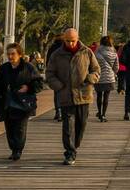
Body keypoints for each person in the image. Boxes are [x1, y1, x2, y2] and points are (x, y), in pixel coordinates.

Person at [45, 27, 100, 165]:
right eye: (68, 41)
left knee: (81, 125)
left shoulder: (86, 52)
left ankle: (75, 145)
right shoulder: (57, 54)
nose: (70, 44)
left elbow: (96, 70)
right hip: (65, 95)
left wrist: (90, 78)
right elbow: (50, 73)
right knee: (68, 126)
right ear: (64, 39)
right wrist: (58, 86)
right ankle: (69, 152)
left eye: (73, 41)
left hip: (83, 94)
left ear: (78, 38)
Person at [0, 43, 42, 160]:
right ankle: (13, 148)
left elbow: (39, 82)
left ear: (19, 54)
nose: (10, 57)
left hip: (23, 103)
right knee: (9, 127)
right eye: (8, 54)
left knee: (20, 127)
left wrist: (28, 88)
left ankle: (18, 150)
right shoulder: (4, 68)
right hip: (7, 102)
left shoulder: (28, 67)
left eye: (13, 54)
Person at [94, 35, 119, 121]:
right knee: (106, 96)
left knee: (99, 95)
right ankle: (103, 115)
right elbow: (116, 67)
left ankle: (99, 112)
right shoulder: (114, 52)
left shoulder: (97, 52)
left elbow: (93, 64)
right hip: (109, 77)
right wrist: (113, 74)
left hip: (99, 77)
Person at [46, 37, 64, 121]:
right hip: (64, 73)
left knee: (56, 93)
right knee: (65, 92)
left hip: (55, 73)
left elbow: (48, 62)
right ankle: (63, 111)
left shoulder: (52, 48)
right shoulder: (65, 47)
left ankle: (58, 112)